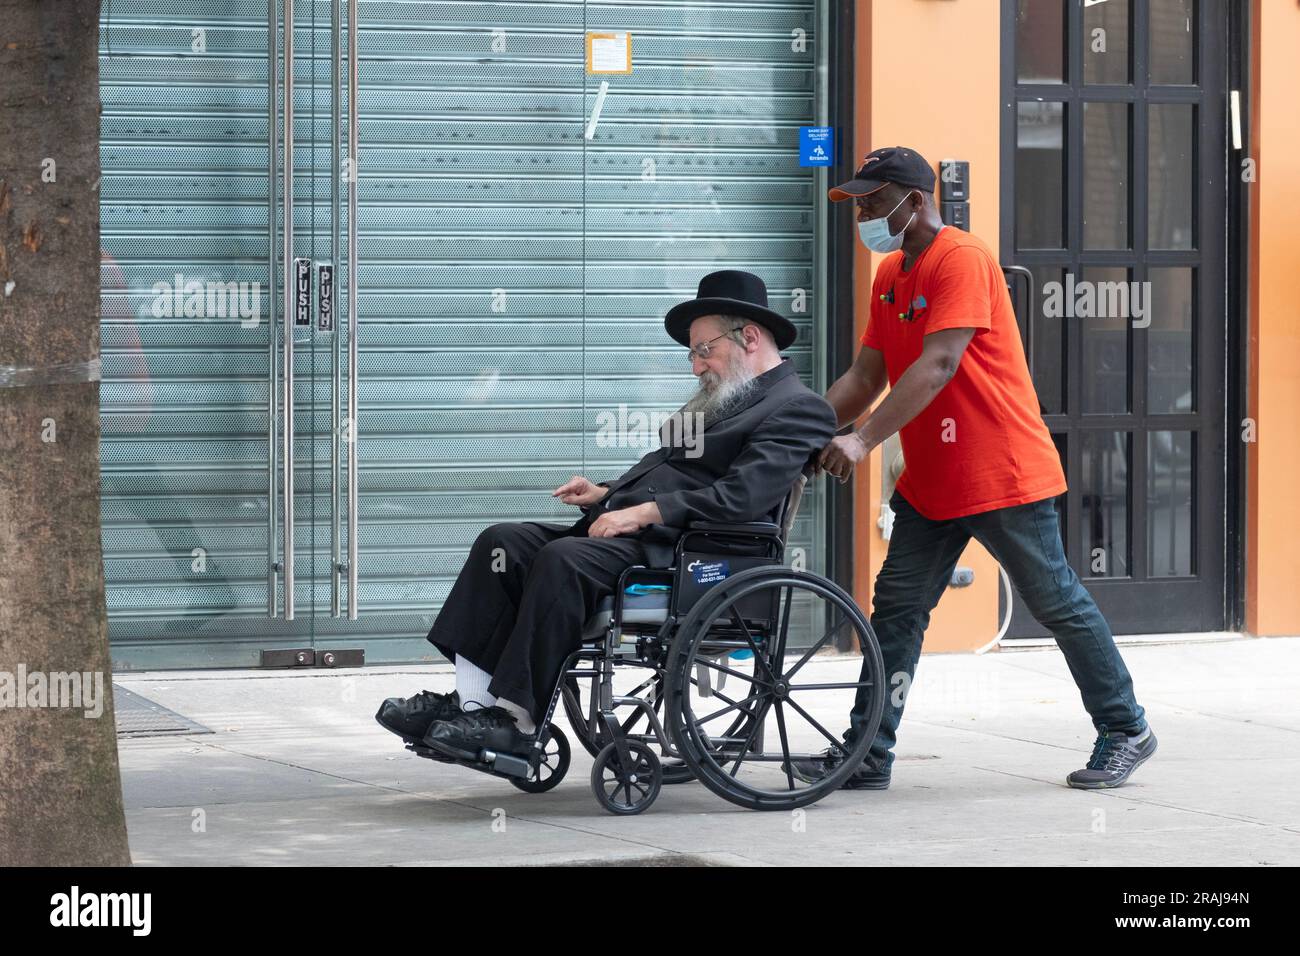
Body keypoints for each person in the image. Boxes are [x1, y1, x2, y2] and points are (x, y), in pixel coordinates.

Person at [788, 147, 1155, 792]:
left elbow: (938, 364)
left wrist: (863, 441)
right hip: (931, 480)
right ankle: (868, 752)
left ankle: (1126, 728)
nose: (865, 213)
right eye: (860, 202)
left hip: (998, 469)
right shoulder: (890, 274)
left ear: (915, 199)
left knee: (1056, 600)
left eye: (874, 200)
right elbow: (866, 375)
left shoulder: (962, 258)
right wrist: (798, 430)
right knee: (897, 610)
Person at [376, 270, 837, 763]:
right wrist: (607, 494)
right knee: (502, 543)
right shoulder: (725, 398)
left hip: (697, 553)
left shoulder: (799, 408)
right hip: (642, 536)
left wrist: (643, 512)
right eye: (692, 353)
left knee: (563, 560)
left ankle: (515, 721)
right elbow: (670, 473)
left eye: (704, 350)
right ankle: (471, 708)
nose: (695, 366)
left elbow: (741, 497)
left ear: (748, 337)